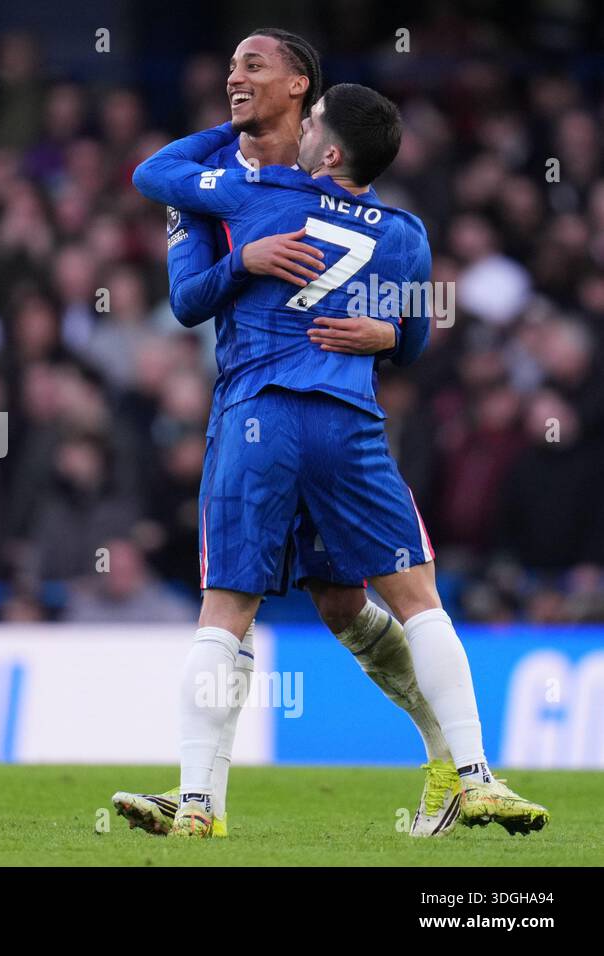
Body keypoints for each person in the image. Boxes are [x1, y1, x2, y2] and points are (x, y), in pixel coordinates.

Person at [125, 83, 549, 838]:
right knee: (412, 600)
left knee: (226, 610)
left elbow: (154, 177)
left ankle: (196, 801)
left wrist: (234, 149)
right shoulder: (405, 231)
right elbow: (416, 342)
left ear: (323, 151)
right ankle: (477, 775)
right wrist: (387, 337)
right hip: (350, 424)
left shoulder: (265, 196)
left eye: (311, 119)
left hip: (261, 418)